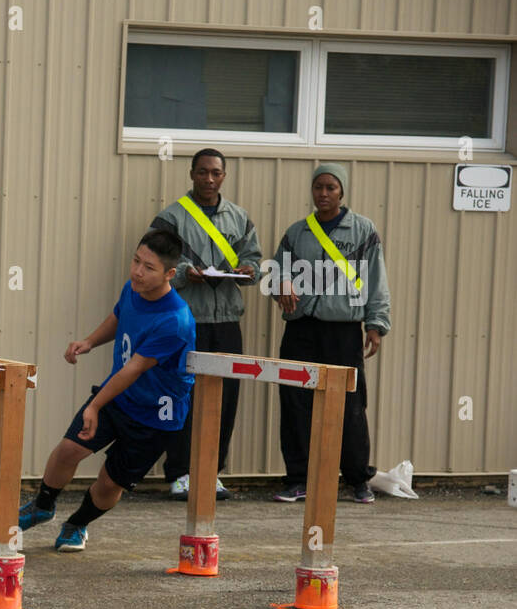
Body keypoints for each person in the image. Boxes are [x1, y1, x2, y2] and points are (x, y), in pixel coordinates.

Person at [17, 229, 195, 551]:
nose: (138, 272)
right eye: (136, 261)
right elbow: (118, 317)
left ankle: (78, 524)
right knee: (69, 449)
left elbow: (134, 368)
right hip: (120, 397)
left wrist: (94, 406)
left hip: (155, 415)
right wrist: (89, 341)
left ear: (170, 273)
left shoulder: (175, 320)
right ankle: (43, 505)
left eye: (149, 267)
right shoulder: (132, 289)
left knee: (109, 481)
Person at [269, 163, 390, 504]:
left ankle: (356, 479)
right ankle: (298, 479)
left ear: (342, 192)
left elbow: (377, 279)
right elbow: (275, 270)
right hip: (301, 328)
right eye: (318, 187)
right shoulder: (297, 233)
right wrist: (281, 282)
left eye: (330, 188)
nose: (323, 194)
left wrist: (376, 324)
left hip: (343, 331)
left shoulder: (363, 230)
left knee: (350, 404)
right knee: (295, 403)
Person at [149, 149, 262, 501]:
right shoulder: (172, 217)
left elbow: (253, 258)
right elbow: (152, 260)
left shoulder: (239, 217)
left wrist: (248, 271)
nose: (209, 179)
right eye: (202, 172)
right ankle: (180, 473)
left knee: (225, 398)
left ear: (224, 176)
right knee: (184, 395)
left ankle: (211, 473)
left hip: (227, 320)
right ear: (192, 174)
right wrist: (184, 273)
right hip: (185, 321)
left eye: (215, 173)